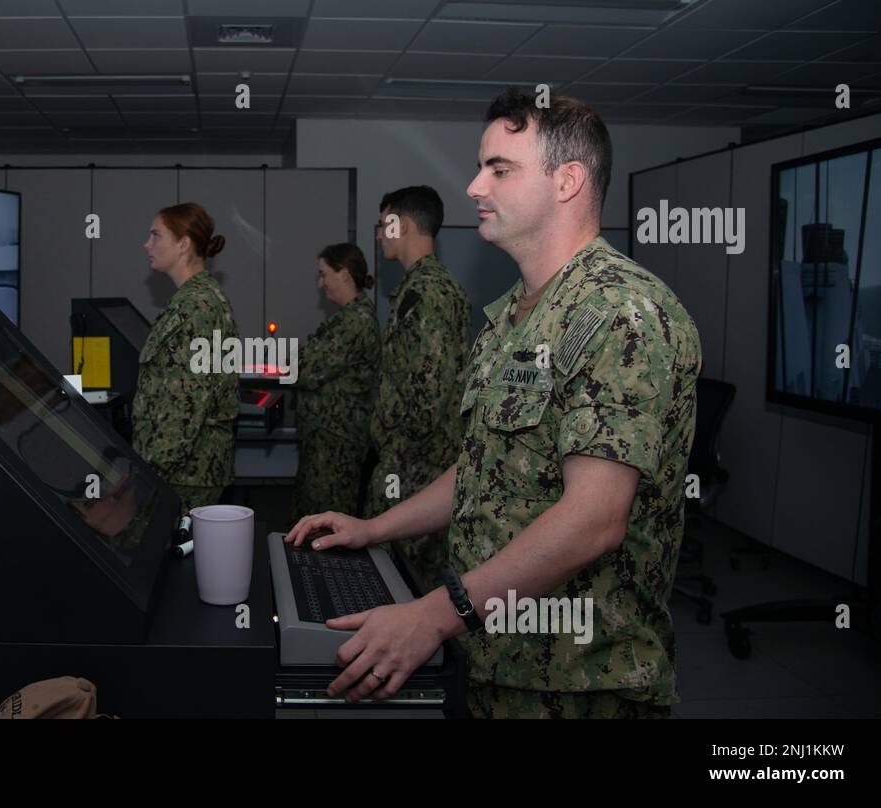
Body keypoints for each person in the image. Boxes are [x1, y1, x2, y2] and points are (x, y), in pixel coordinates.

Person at [286, 88, 701, 719]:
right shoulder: (512, 315)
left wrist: (433, 614)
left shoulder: (621, 312)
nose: (475, 186)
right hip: (492, 657)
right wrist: (374, 528)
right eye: (481, 167)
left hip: (577, 682)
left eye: (499, 169)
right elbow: (482, 473)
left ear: (567, 181)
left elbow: (595, 517)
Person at [365, 185, 470, 584]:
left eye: (383, 224)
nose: (379, 234)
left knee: (400, 579)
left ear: (402, 224)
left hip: (416, 466)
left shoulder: (430, 292)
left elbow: (429, 393)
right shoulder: (419, 287)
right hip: (410, 462)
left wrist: (396, 449)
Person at [131, 203, 239, 514]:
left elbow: (186, 404)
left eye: (155, 236)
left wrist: (151, 472)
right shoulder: (199, 299)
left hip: (183, 473)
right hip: (189, 468)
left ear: (183, 244)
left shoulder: (196, 308)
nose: (146, 244)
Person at [290, 243, 380, 521]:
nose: (321, 283)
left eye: (324, 274)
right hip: (324, 442)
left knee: (325, 522)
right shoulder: (345, 319)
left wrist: (295, 359)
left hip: (335, 447)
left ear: (344, 274)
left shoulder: (355, 321)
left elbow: (304, 369)